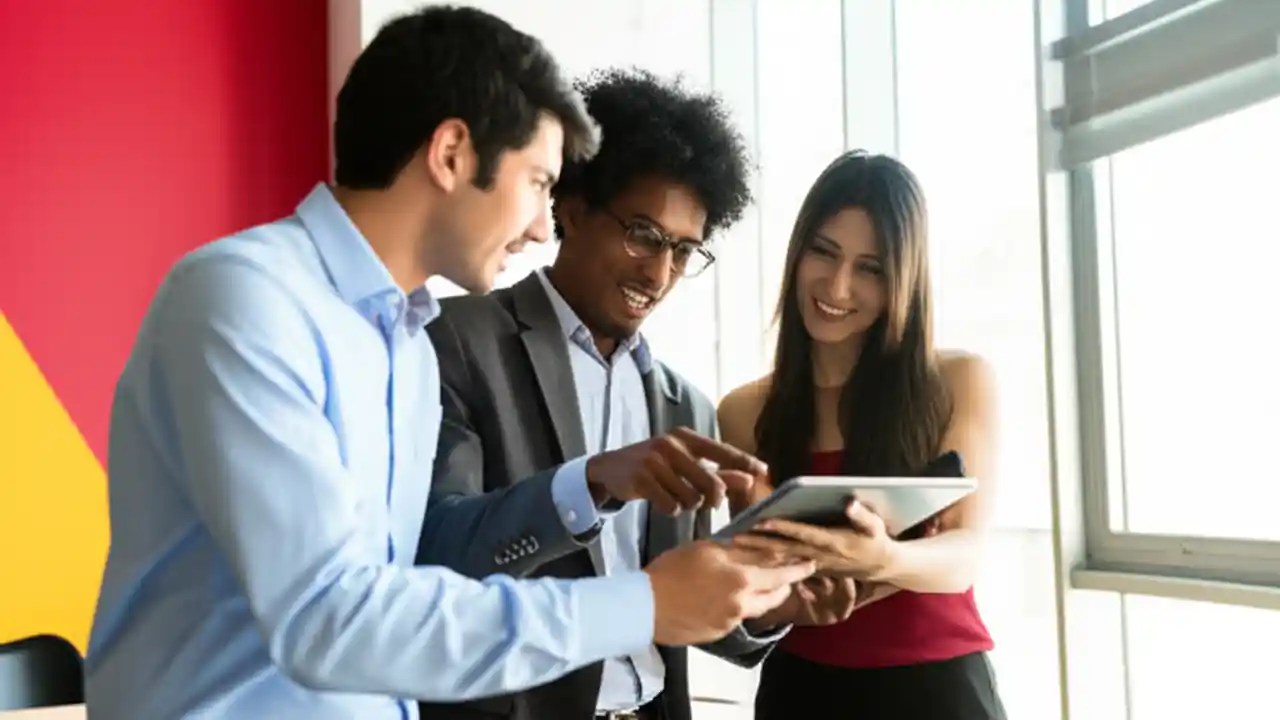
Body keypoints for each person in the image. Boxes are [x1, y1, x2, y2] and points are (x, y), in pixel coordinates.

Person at [83, 8, 813, 720]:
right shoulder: (244, 299)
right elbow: (329, 619)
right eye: (537, 182)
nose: (539, 224)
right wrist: (645, 603)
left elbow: (411, 586)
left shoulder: (404, 341)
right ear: (453, 154)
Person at [413, 67, 816, 720]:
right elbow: (440, 558)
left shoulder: (685, 404)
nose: (659, 273)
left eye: (684, 251)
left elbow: (680, 603)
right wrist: (589, 482)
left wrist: (770, 607)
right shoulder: (456, 342)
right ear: (573, 208)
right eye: (644, 235)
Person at [717, 151, 1007, 719]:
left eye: (870, 268)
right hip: (801, 691)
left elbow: (964, 557)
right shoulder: (743, 412)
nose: (838, 285)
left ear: (902, 281)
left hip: (937, 690)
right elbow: (753, 592)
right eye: (823, 253)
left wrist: (878, 558)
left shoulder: (957, 381)